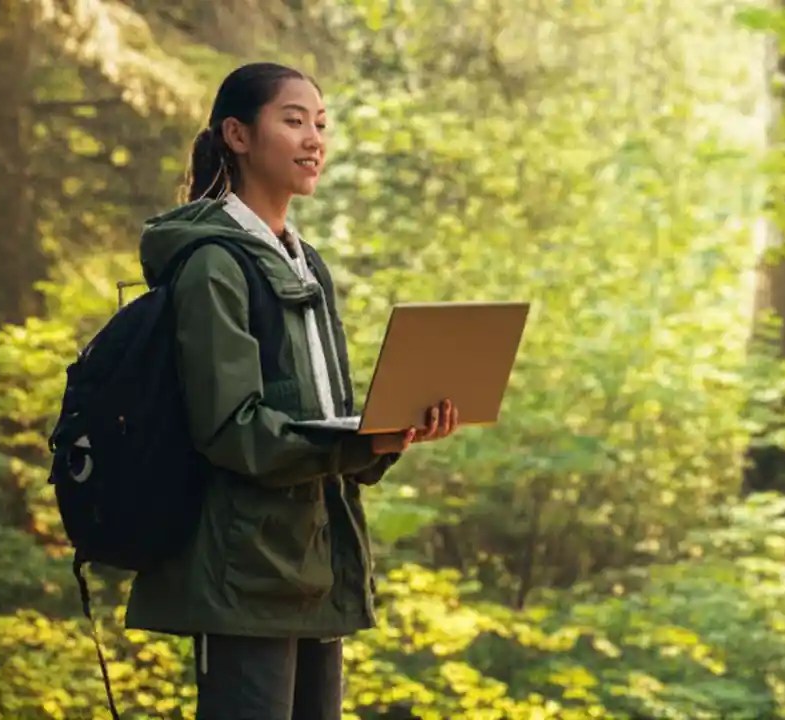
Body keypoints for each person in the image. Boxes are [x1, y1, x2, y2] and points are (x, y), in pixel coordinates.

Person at [124, 62, 458, 720]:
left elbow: (328, 421)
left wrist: (389, 434)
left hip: (316, 562)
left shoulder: (307, 262)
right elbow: (231, 430)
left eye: (322, 124)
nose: (315, 139)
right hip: (244, 571)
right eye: (294, 120)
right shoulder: (212, 264)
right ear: (238, 135)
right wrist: (351, 444)